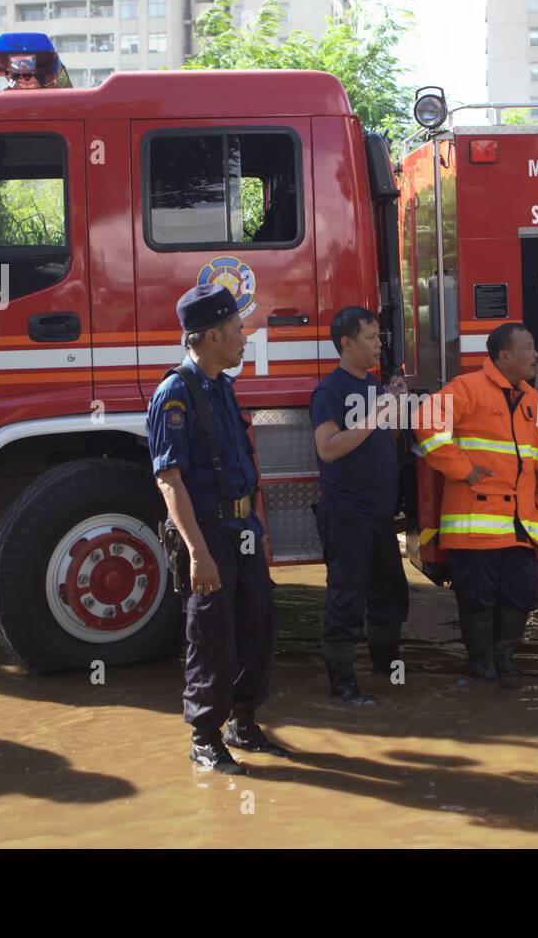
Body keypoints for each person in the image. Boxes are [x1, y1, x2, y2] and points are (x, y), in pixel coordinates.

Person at [148, 283, 288, 775]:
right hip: (207, 533)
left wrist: (258, 528)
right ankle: (205, 738)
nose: (244, 336)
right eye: (235, 329)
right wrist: (198, 553)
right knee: (211, 634)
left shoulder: (221, 387)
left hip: (242, 527)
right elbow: (170, 480)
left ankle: (243, 724)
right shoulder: (175, 394)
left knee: (257, 624)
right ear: (209, 336)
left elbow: (242, 466)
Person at [414, 322, 538, 681]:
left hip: (518, 523)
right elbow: (425, 421)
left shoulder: (529, 398)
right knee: (476, 598)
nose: (536, 355)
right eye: (528, 348)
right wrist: (463, 468)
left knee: (524, 591)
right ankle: (483, 670)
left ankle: (504, 664)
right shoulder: (467, 388)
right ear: (504, 355)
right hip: (476, 523)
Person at [309, 306, 409, 705]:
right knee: (345, 599)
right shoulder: (329, 391)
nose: (377, 345)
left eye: (379, 338)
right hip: (347, 514)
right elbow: (328, 449)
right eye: (369, 338)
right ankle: (343, 685)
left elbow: (388, 441)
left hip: (380, 514)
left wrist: (395, 406)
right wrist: (378, 412)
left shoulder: (376, 388)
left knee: (390, 595)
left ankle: (388, 672)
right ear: (346, 343)